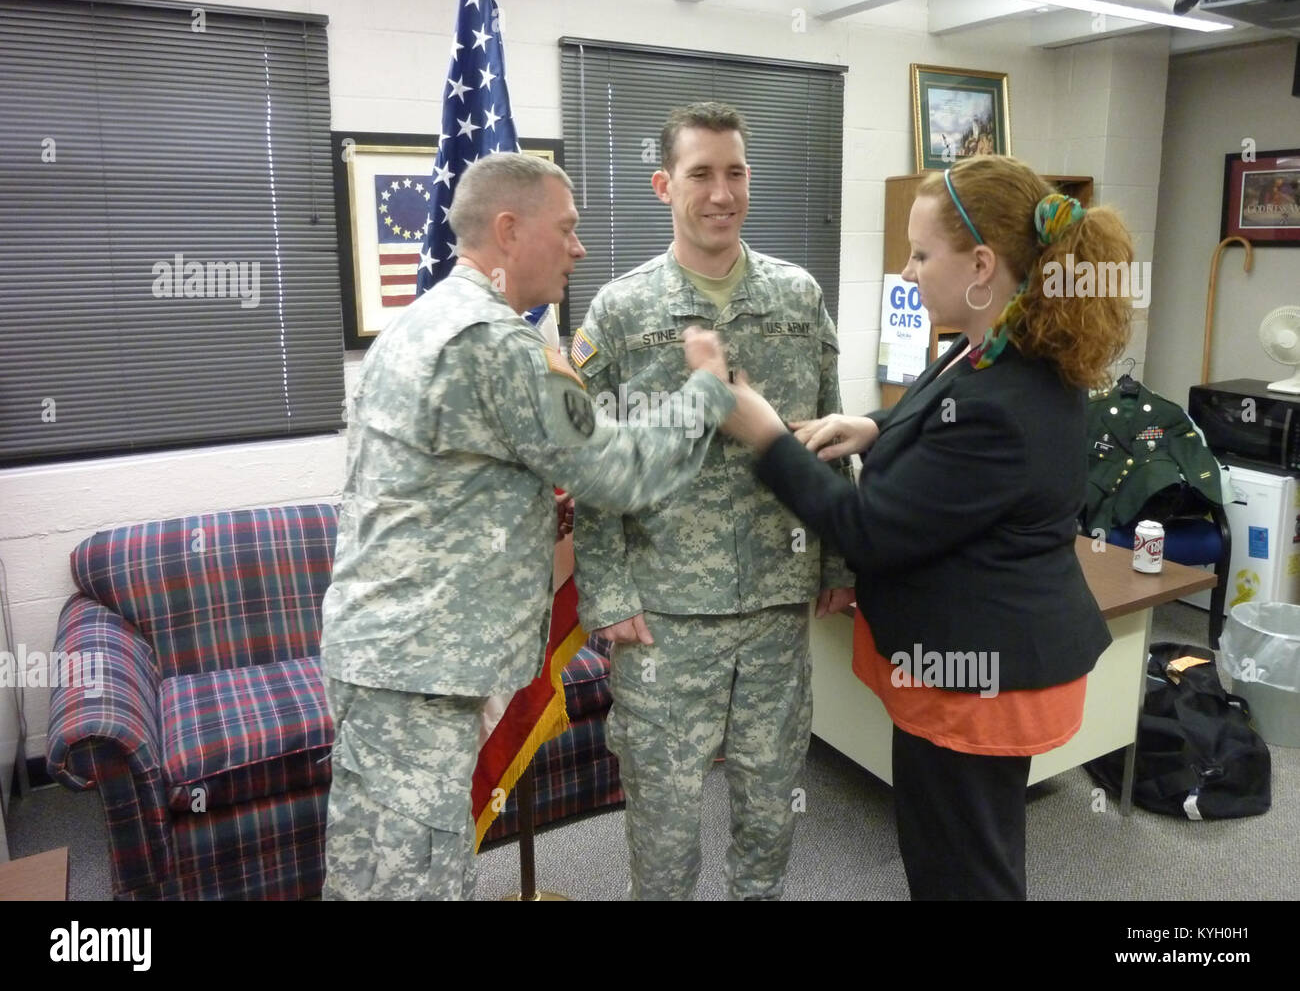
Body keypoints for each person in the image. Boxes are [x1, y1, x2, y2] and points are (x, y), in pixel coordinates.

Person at [710, 154, 1133, 900]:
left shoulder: (1002, 397)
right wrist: (870, 426)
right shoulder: (989, 349)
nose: (905, 271)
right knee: (966, 848)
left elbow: (866, 528)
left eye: (919, 252)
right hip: (976, 658)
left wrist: (768, 437)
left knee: (960, 871)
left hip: (981, 678)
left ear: (980, 262)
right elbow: (937, 420)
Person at [319, 152, 735, 901]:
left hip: (387, 658)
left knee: (371, 869)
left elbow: (445, 487)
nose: (580, 248)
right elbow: (622, 467)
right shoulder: (495, 343)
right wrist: (706, 387)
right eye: (568, 228)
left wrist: (533, 510)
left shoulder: (422, 321)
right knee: (416, 882)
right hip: (416, 672)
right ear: (509, 231)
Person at [570, 102, 855, 900]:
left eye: (735, 173)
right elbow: (592, 465)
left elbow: (832, 433)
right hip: (664, 615)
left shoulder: (797, 297)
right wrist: (608, 591)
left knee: (771, 808)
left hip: (775, 602)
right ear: (666, 184)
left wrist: (840, 558)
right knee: (664, 824)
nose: (721, 193)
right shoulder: (621, 314)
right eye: (701, 174)